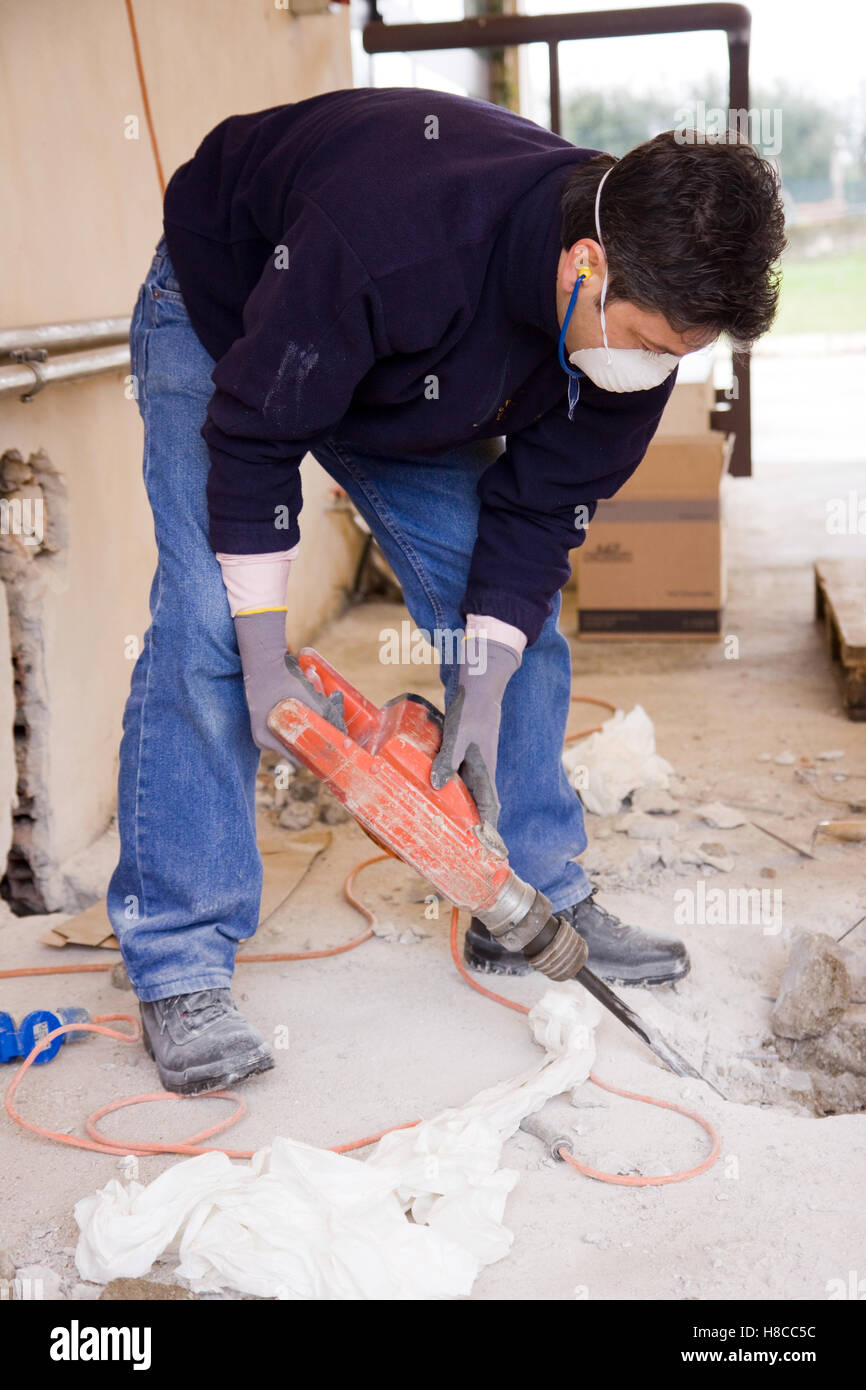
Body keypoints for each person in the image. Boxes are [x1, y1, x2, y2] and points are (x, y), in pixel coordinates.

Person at [107, 88, 785, 1094]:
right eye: (644, 342)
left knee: (520, 631)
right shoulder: (391, 232)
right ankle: (179, 962)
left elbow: (539, 514)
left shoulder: (637, 322)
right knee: (206, 626)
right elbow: (254, 435)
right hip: (237, 315)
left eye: (674, 357)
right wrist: (260, 656)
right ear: (584, 262)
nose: (650, 372)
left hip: (411, 372)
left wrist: (483, 676)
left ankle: (530, 903)